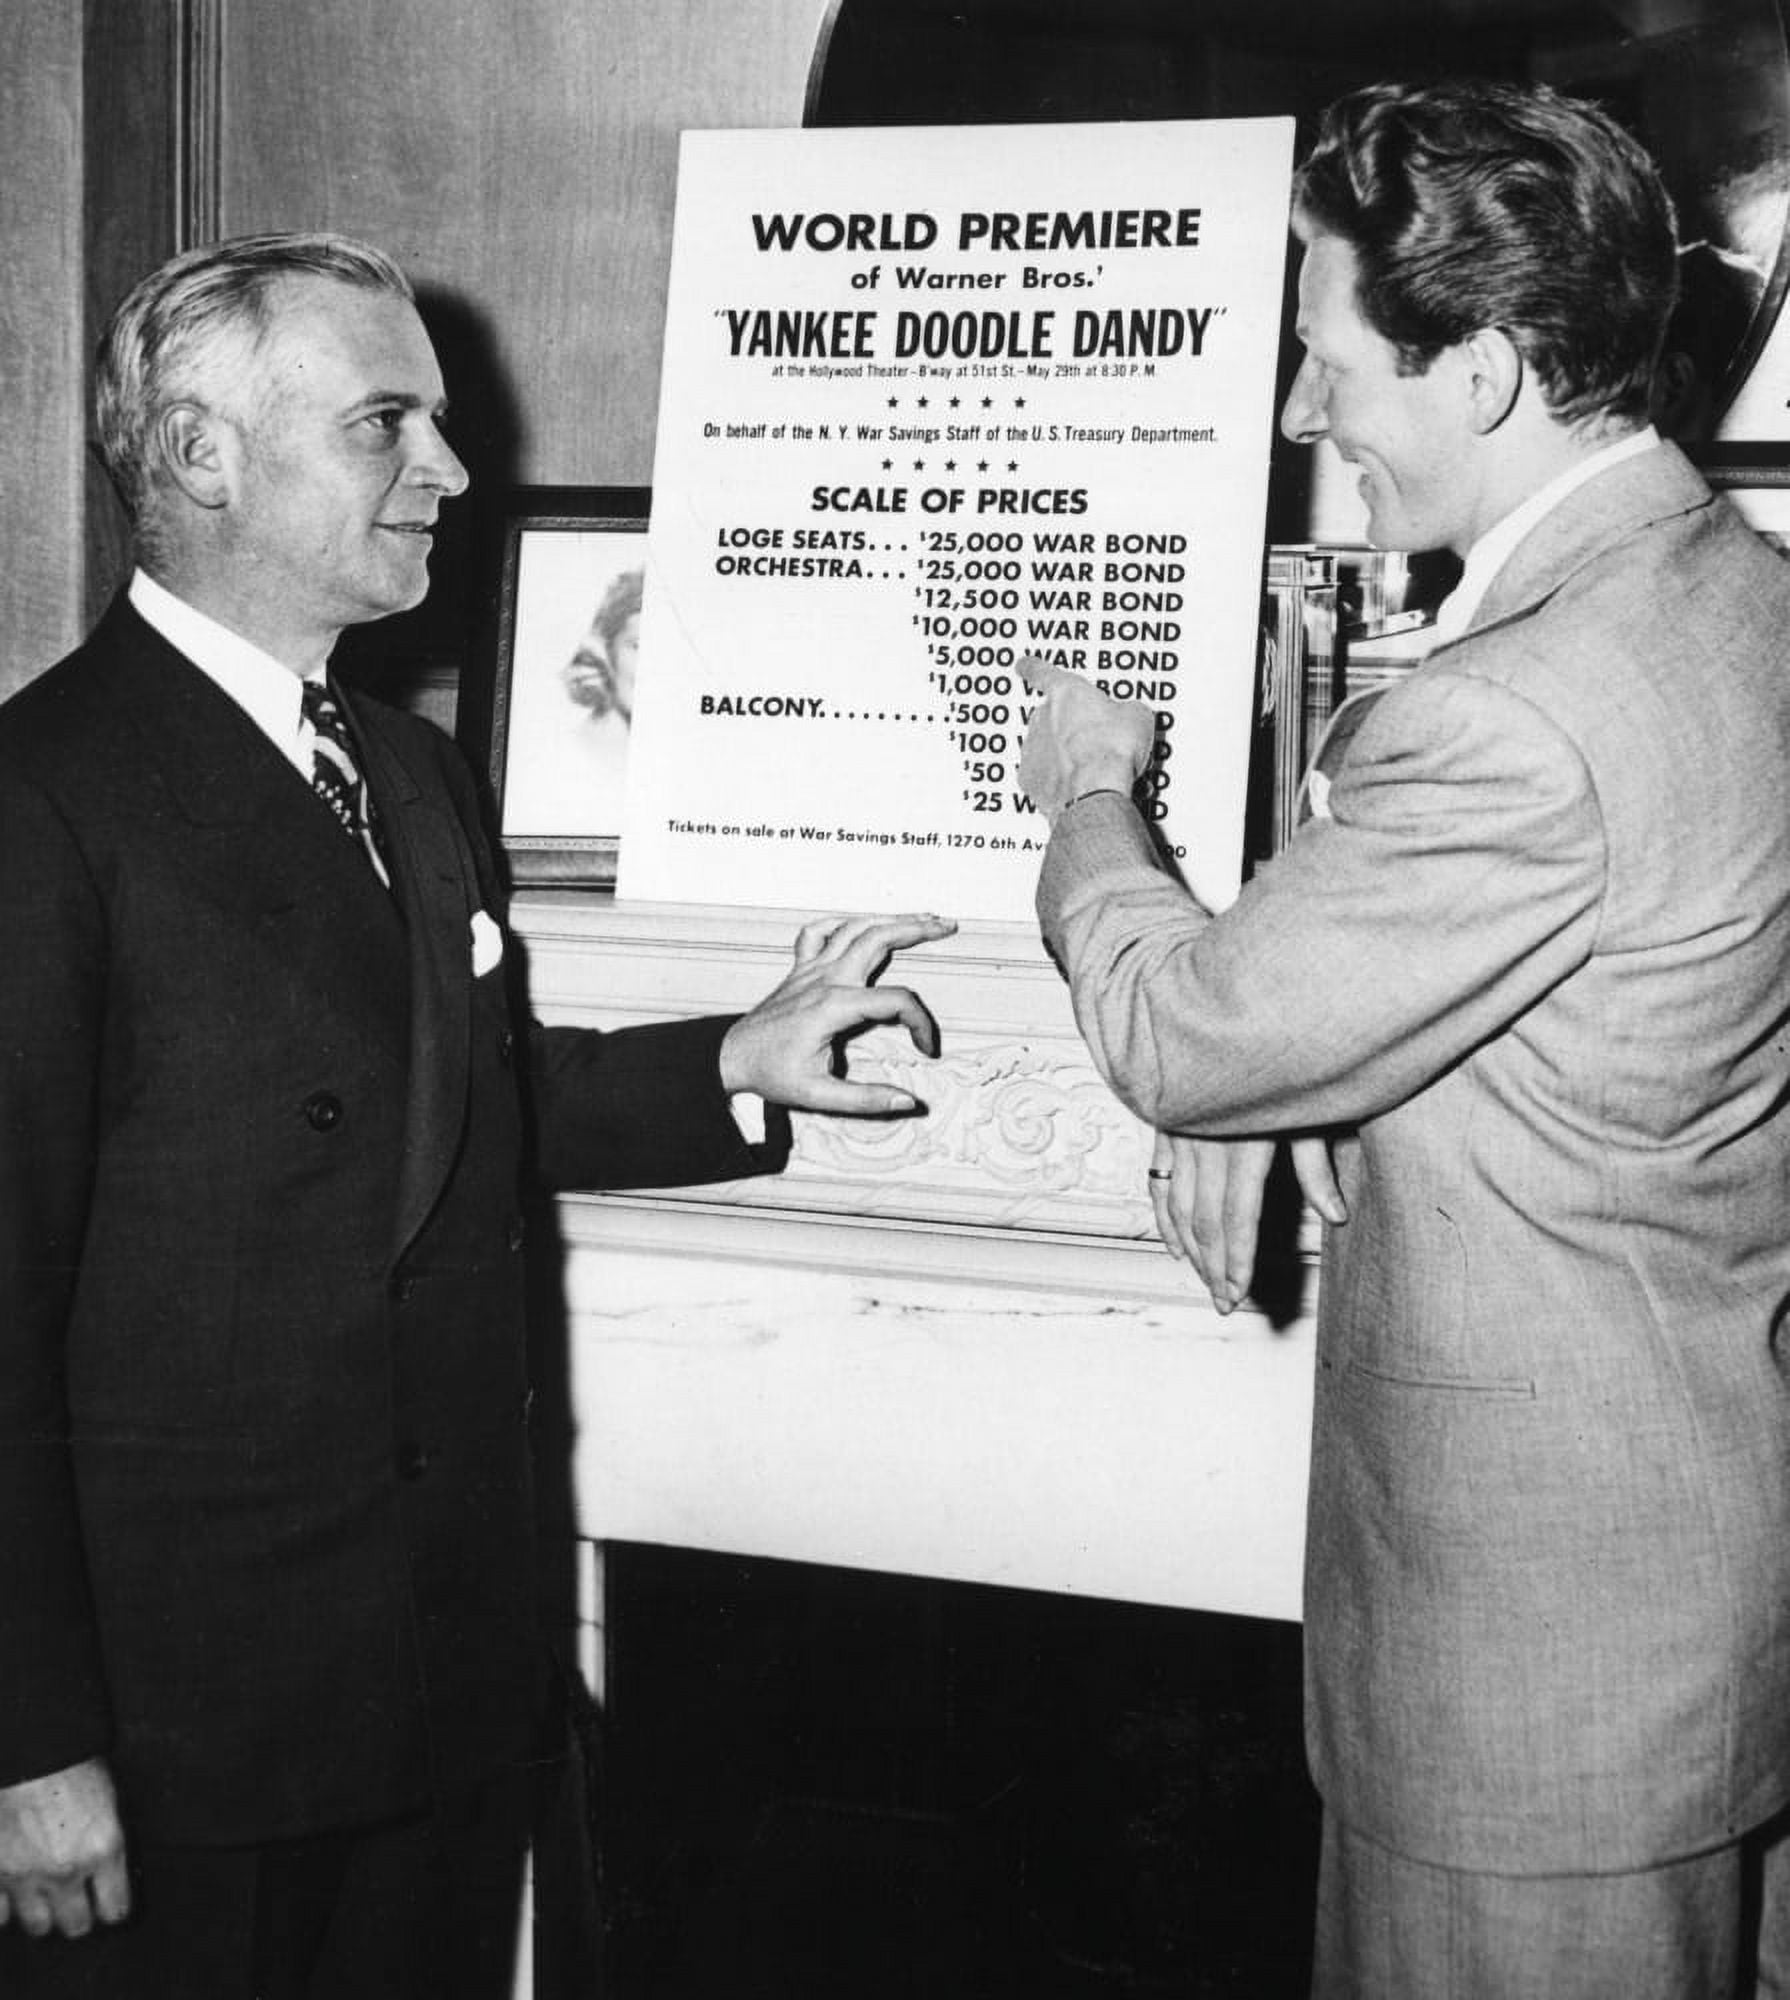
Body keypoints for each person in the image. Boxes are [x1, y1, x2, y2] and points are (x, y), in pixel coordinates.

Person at [0, 231, 952, 1999]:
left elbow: (458, 1105)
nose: (449, 471)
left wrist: (731, 1057)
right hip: (180, 1737)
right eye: (388, 424)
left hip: (431, 1677)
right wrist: (23, 1740)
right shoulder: (40, 805)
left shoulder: (413, 772)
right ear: (204, 456)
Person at [1019, 79, 1790, 1997]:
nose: (1301, 416)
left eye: (1330, 360)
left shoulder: (1517, 710)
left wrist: (1089, 797)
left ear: (1490, 372)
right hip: (1690, 1599)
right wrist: (1324, 1084)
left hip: (1532, 1695)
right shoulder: (1739, 608)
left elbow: (1182, 1031)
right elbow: (1604, 1024)